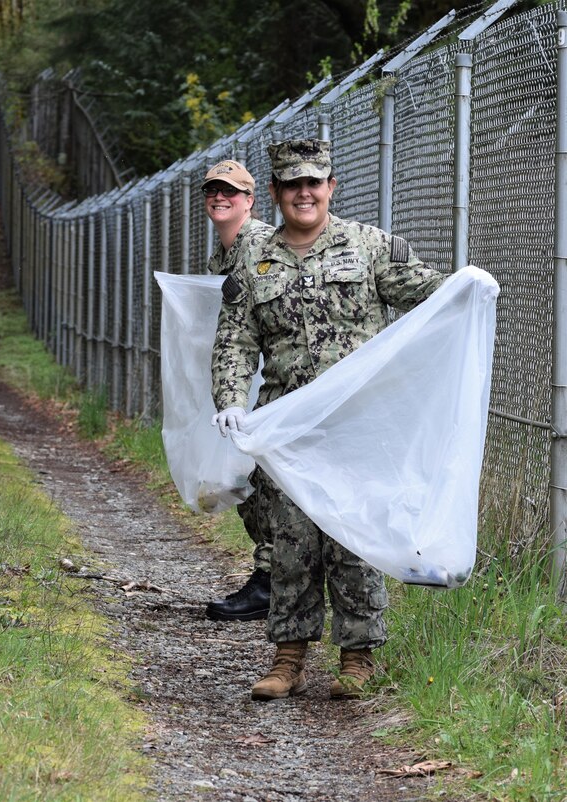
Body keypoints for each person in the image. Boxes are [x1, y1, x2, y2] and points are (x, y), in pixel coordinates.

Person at [210, 139, 445, 700]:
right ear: (275, 193)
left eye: (314, 182)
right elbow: (235, 336)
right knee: (290, 540)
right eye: (292, 184)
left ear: (331, 187)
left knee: (353, 538)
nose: (304, 193)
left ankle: (357, 659)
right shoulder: (253, 256)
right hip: (287, 426)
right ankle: (287, 658)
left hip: (356, 424)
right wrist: (230, 400)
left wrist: (472, 289)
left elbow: (434, 297)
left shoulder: (369, 247)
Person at [200, 159, 274, 623]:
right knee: (241, 478)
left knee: (261, 478)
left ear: (249, 200)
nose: (219, 198)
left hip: (276, 379)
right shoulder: (222, 255)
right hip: (245, 378)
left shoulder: (262, 246)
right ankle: (274, 578)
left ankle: (270, 582)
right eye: (212, 191)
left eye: (230, 191)